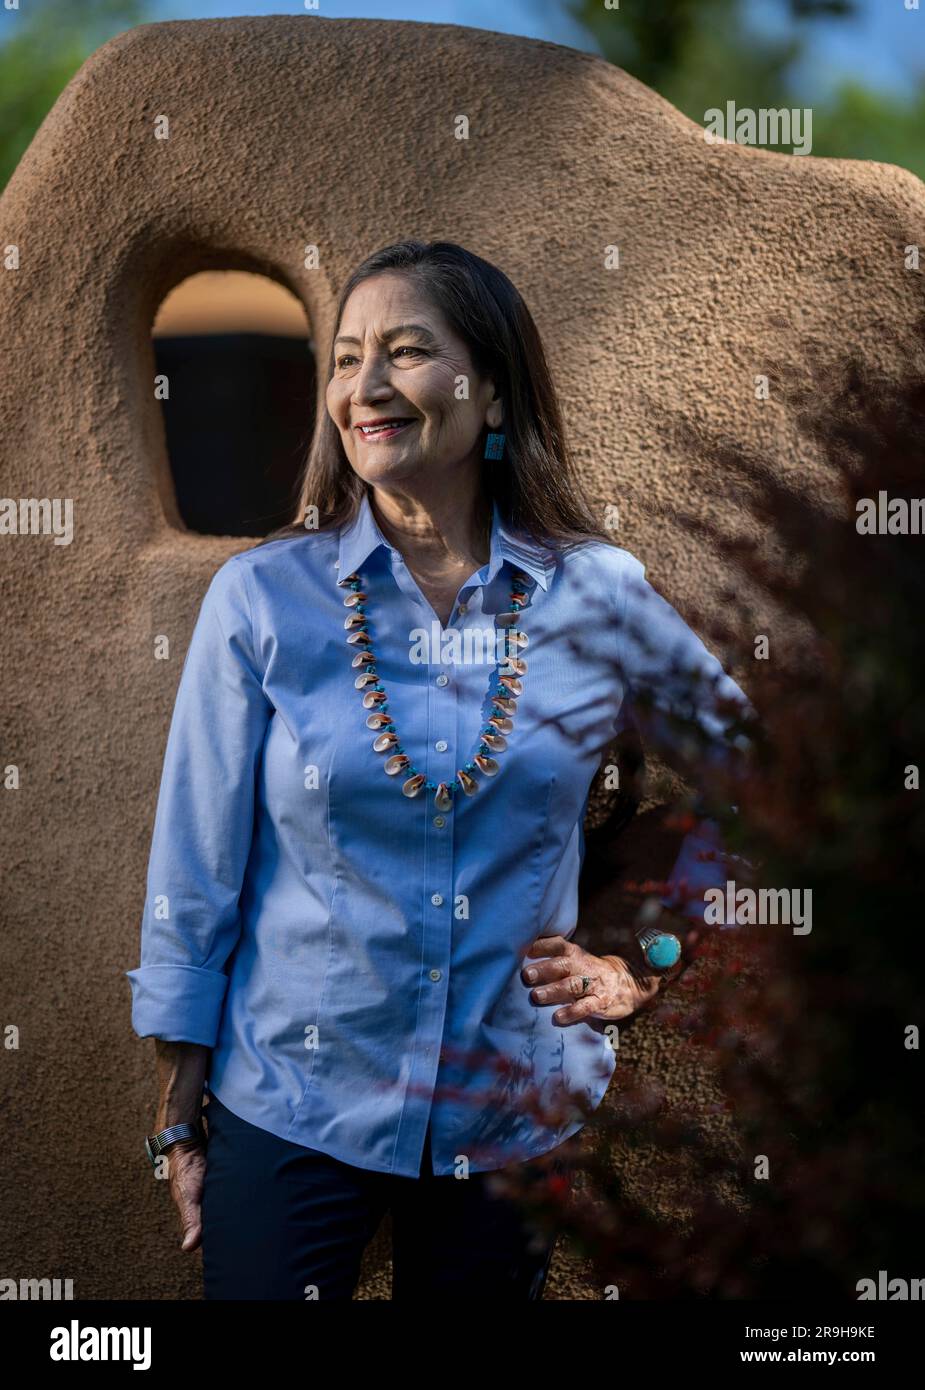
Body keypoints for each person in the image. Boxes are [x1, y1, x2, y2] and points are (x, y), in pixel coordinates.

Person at [127, 239, 752, 1301]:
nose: (364, 387)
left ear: (492, 390)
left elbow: (750, 779)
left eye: (406, 353)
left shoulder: (596, 597)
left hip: (509, 1115)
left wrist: (641, 955)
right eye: (346, 357)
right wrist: (177, 1111)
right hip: (291, 1106)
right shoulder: (262, 601)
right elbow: (196, 864)